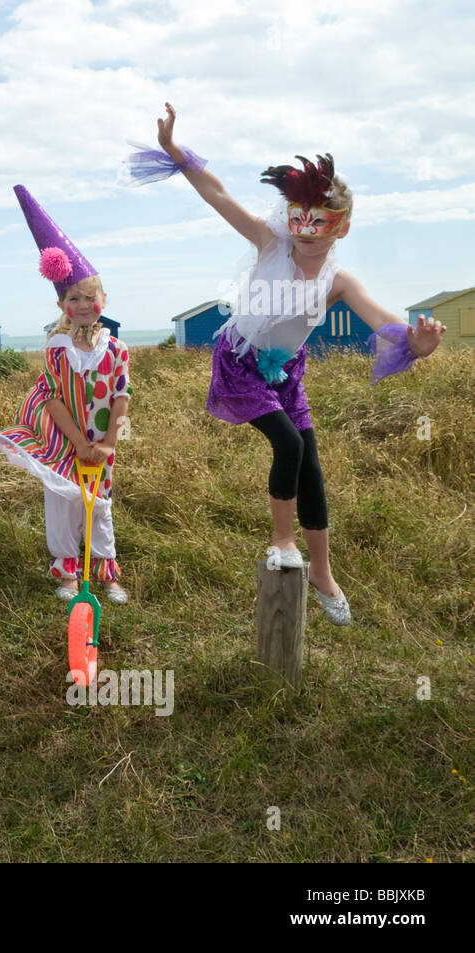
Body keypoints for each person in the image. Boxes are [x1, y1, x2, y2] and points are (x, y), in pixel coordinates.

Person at [125, 103, 446, 624]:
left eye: (319, 223)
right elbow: (219, 195)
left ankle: (322, 571)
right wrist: (175, 152)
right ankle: (282, 542)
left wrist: (417, 340)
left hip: (286, 372)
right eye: (300, 218)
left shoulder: (339, 282)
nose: (306, 230)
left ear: (339, 228)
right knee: (289, 443)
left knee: (312, 469)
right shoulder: (269, 243)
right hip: (239, 362)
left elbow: (381, 318)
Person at [0, 186, 131, 603]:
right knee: (62, 500)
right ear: (62, 303)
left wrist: (106, 443)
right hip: (65, 439)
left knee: (99, 501)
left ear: (104, 300)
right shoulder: (56, 348)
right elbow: (52, 397)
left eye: (91, 297)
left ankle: (106, 570)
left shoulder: (117, 350)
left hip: (101, 442)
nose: (85, 304)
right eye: (75, 298)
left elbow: (121, 397)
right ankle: (68, 570)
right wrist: (77, 442)